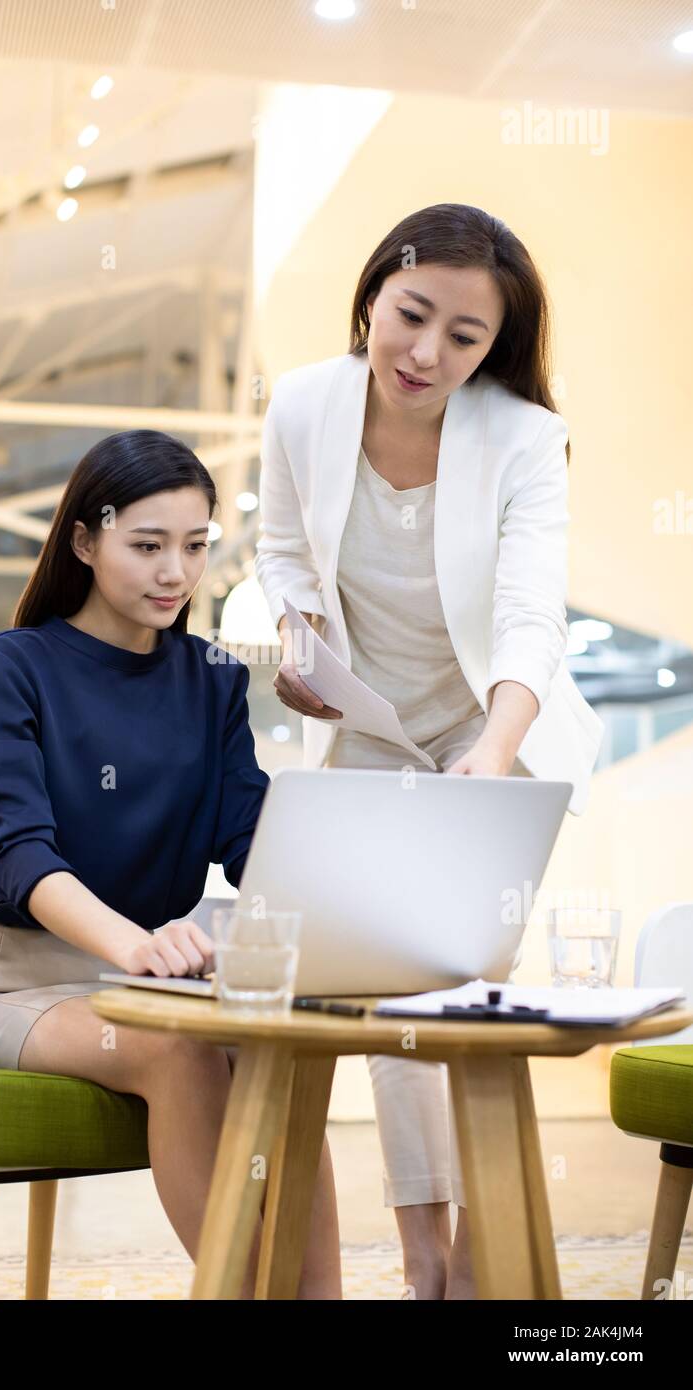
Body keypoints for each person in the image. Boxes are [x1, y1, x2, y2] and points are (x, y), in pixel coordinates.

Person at [254, 202, 605, 1299]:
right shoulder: (304, 403)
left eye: (464, 336)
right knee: (374, 982)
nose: (426, 353)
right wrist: (295, 641)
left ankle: (468, 1259)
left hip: (479, 723)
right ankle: (426, 1256)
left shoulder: (520, 436)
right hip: (364, 721)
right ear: (370, 297)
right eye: (411, 316)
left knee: (452, 984)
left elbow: (527, 615)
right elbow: (278, 551)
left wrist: (493, 752)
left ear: (494, 346)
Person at [0, 428, 342, 1299]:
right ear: (84, 541)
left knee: (289, 1056)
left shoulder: (214, 679)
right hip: (3, 984)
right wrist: (133, 946)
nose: (175, 573)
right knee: (182, 1054)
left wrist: (351, 898)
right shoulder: (11, 667)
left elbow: (249, 835)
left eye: (195, 547)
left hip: (141, 979)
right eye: (147, 545)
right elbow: (15, 848)